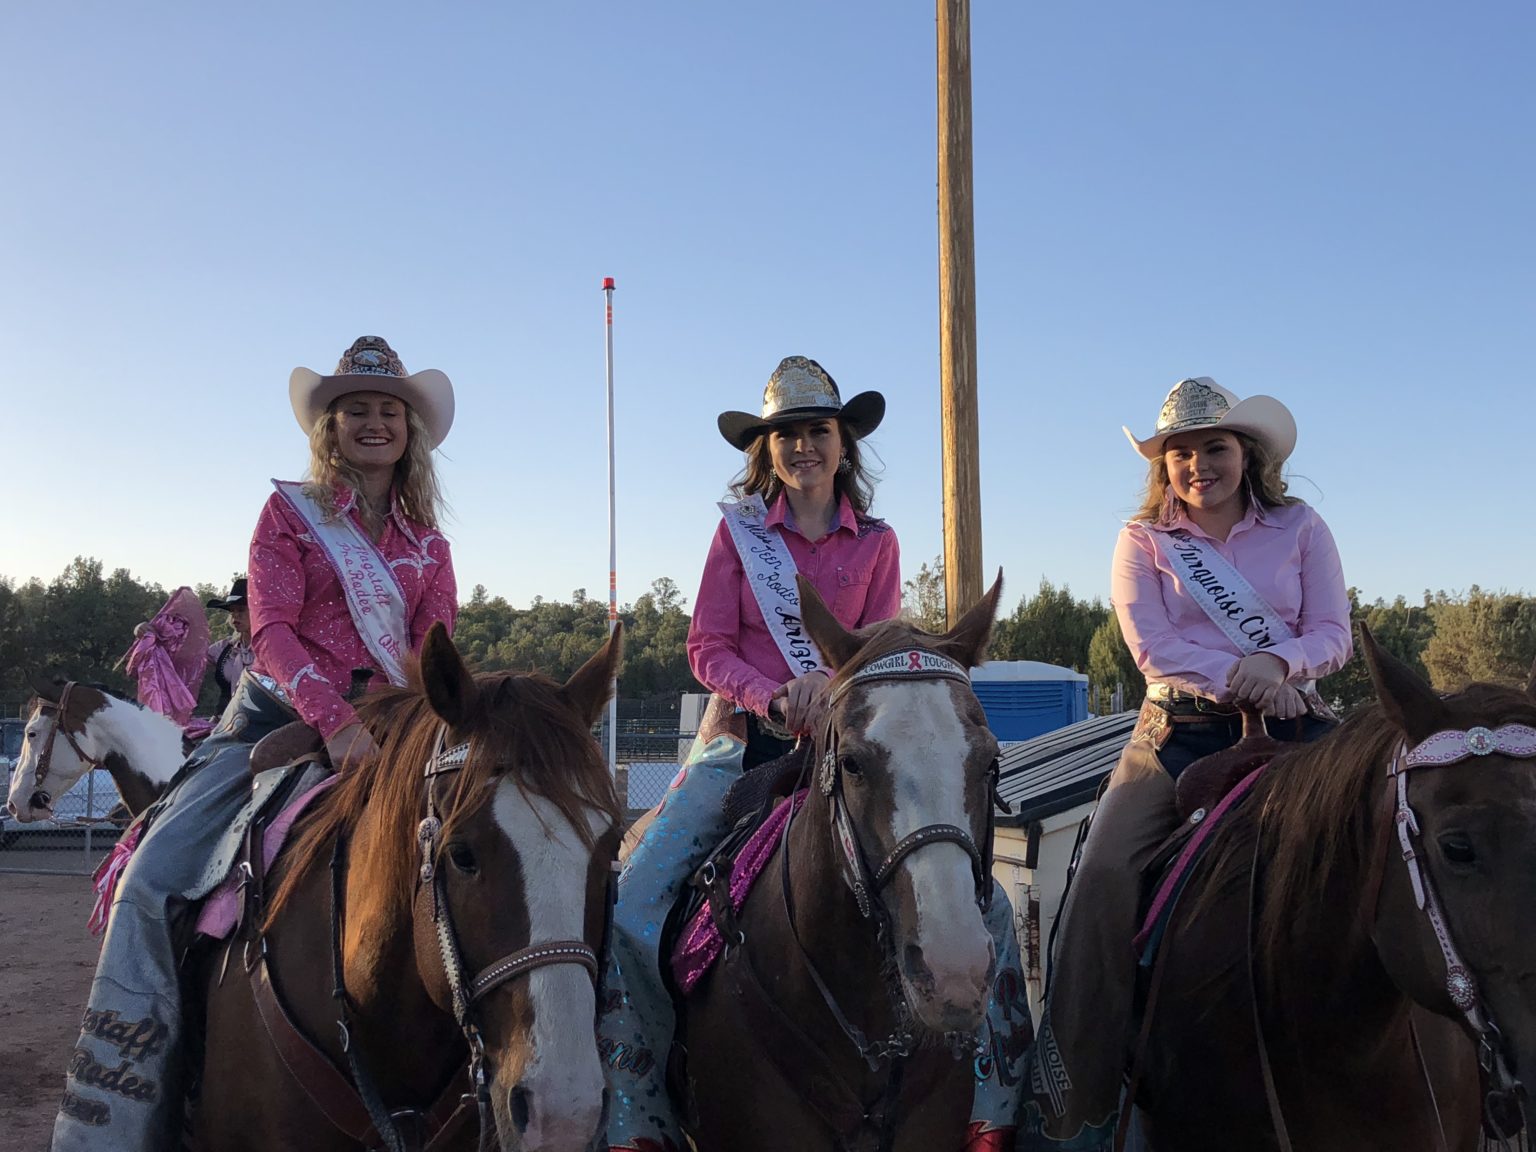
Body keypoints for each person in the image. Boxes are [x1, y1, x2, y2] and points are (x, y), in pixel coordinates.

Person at [53, 336, 458, 1150]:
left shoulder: (430, 543)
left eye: (388, 411)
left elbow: (432, 643)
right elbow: (270, 630)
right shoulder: (288, 514)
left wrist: (400, 720)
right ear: (330, 428)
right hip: (272, 724)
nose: (374, 424)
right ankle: (121, 1115)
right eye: (357, 412)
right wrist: (334, 720)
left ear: (409, 430)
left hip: (389, 731)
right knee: (153, 877)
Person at [1023, 376, 1353, 1150]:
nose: (1199, 465)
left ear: (1247, 455)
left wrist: (1280, 662)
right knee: (1103, 876)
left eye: (1215, 448)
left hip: (1294, 722)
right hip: (1179, 732)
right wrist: (1241, 676)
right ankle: (1081, 1098)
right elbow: (1151, 647)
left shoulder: (1302, 527)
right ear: (1163, 466)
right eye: (1182, 453)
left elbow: (1334, 629)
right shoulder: (1144, 541)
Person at [204, 577, 254, 715]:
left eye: (241, 610)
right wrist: (146, 633)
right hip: (222, 723)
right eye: (232, 611)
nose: (235, 616)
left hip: (262, 728)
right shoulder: (224, 647)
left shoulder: (270, 649)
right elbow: (187, 660)